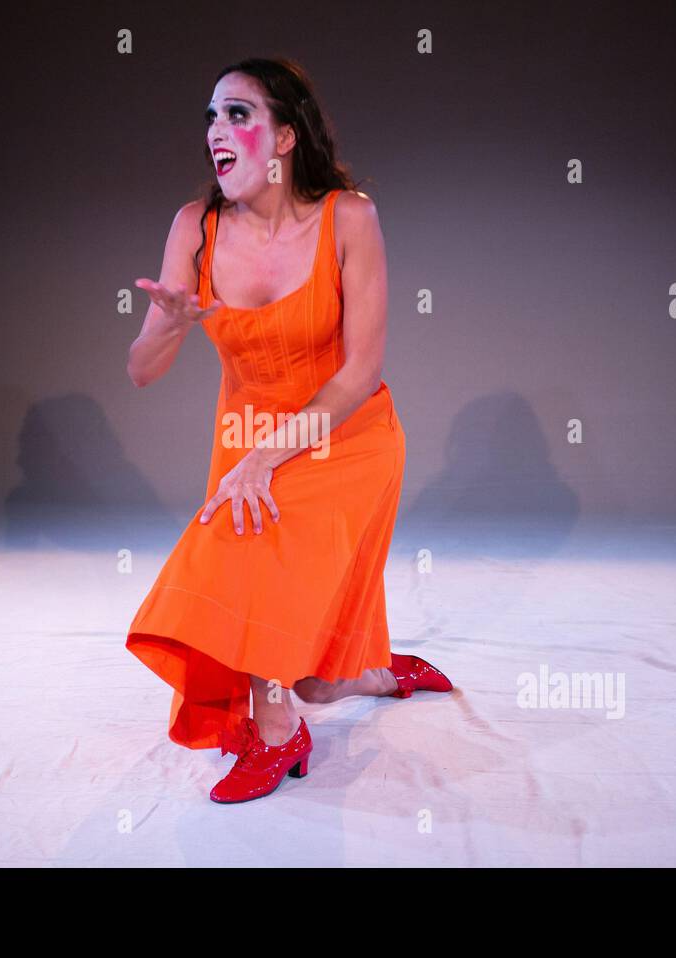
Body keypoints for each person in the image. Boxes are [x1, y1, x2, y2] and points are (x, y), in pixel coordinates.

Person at [125, 57, 452, 804]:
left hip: (349, 435)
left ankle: (279, 732)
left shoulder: (351, 218)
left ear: (284, 136)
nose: (217, 129)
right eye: (210, 116)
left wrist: (265, 460)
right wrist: (170, 328)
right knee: (312, 672)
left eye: (238, 113)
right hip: (246, 435)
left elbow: (360, 371)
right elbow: (141, 369)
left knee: (246, 545)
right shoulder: (194, 229)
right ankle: (368, 672)